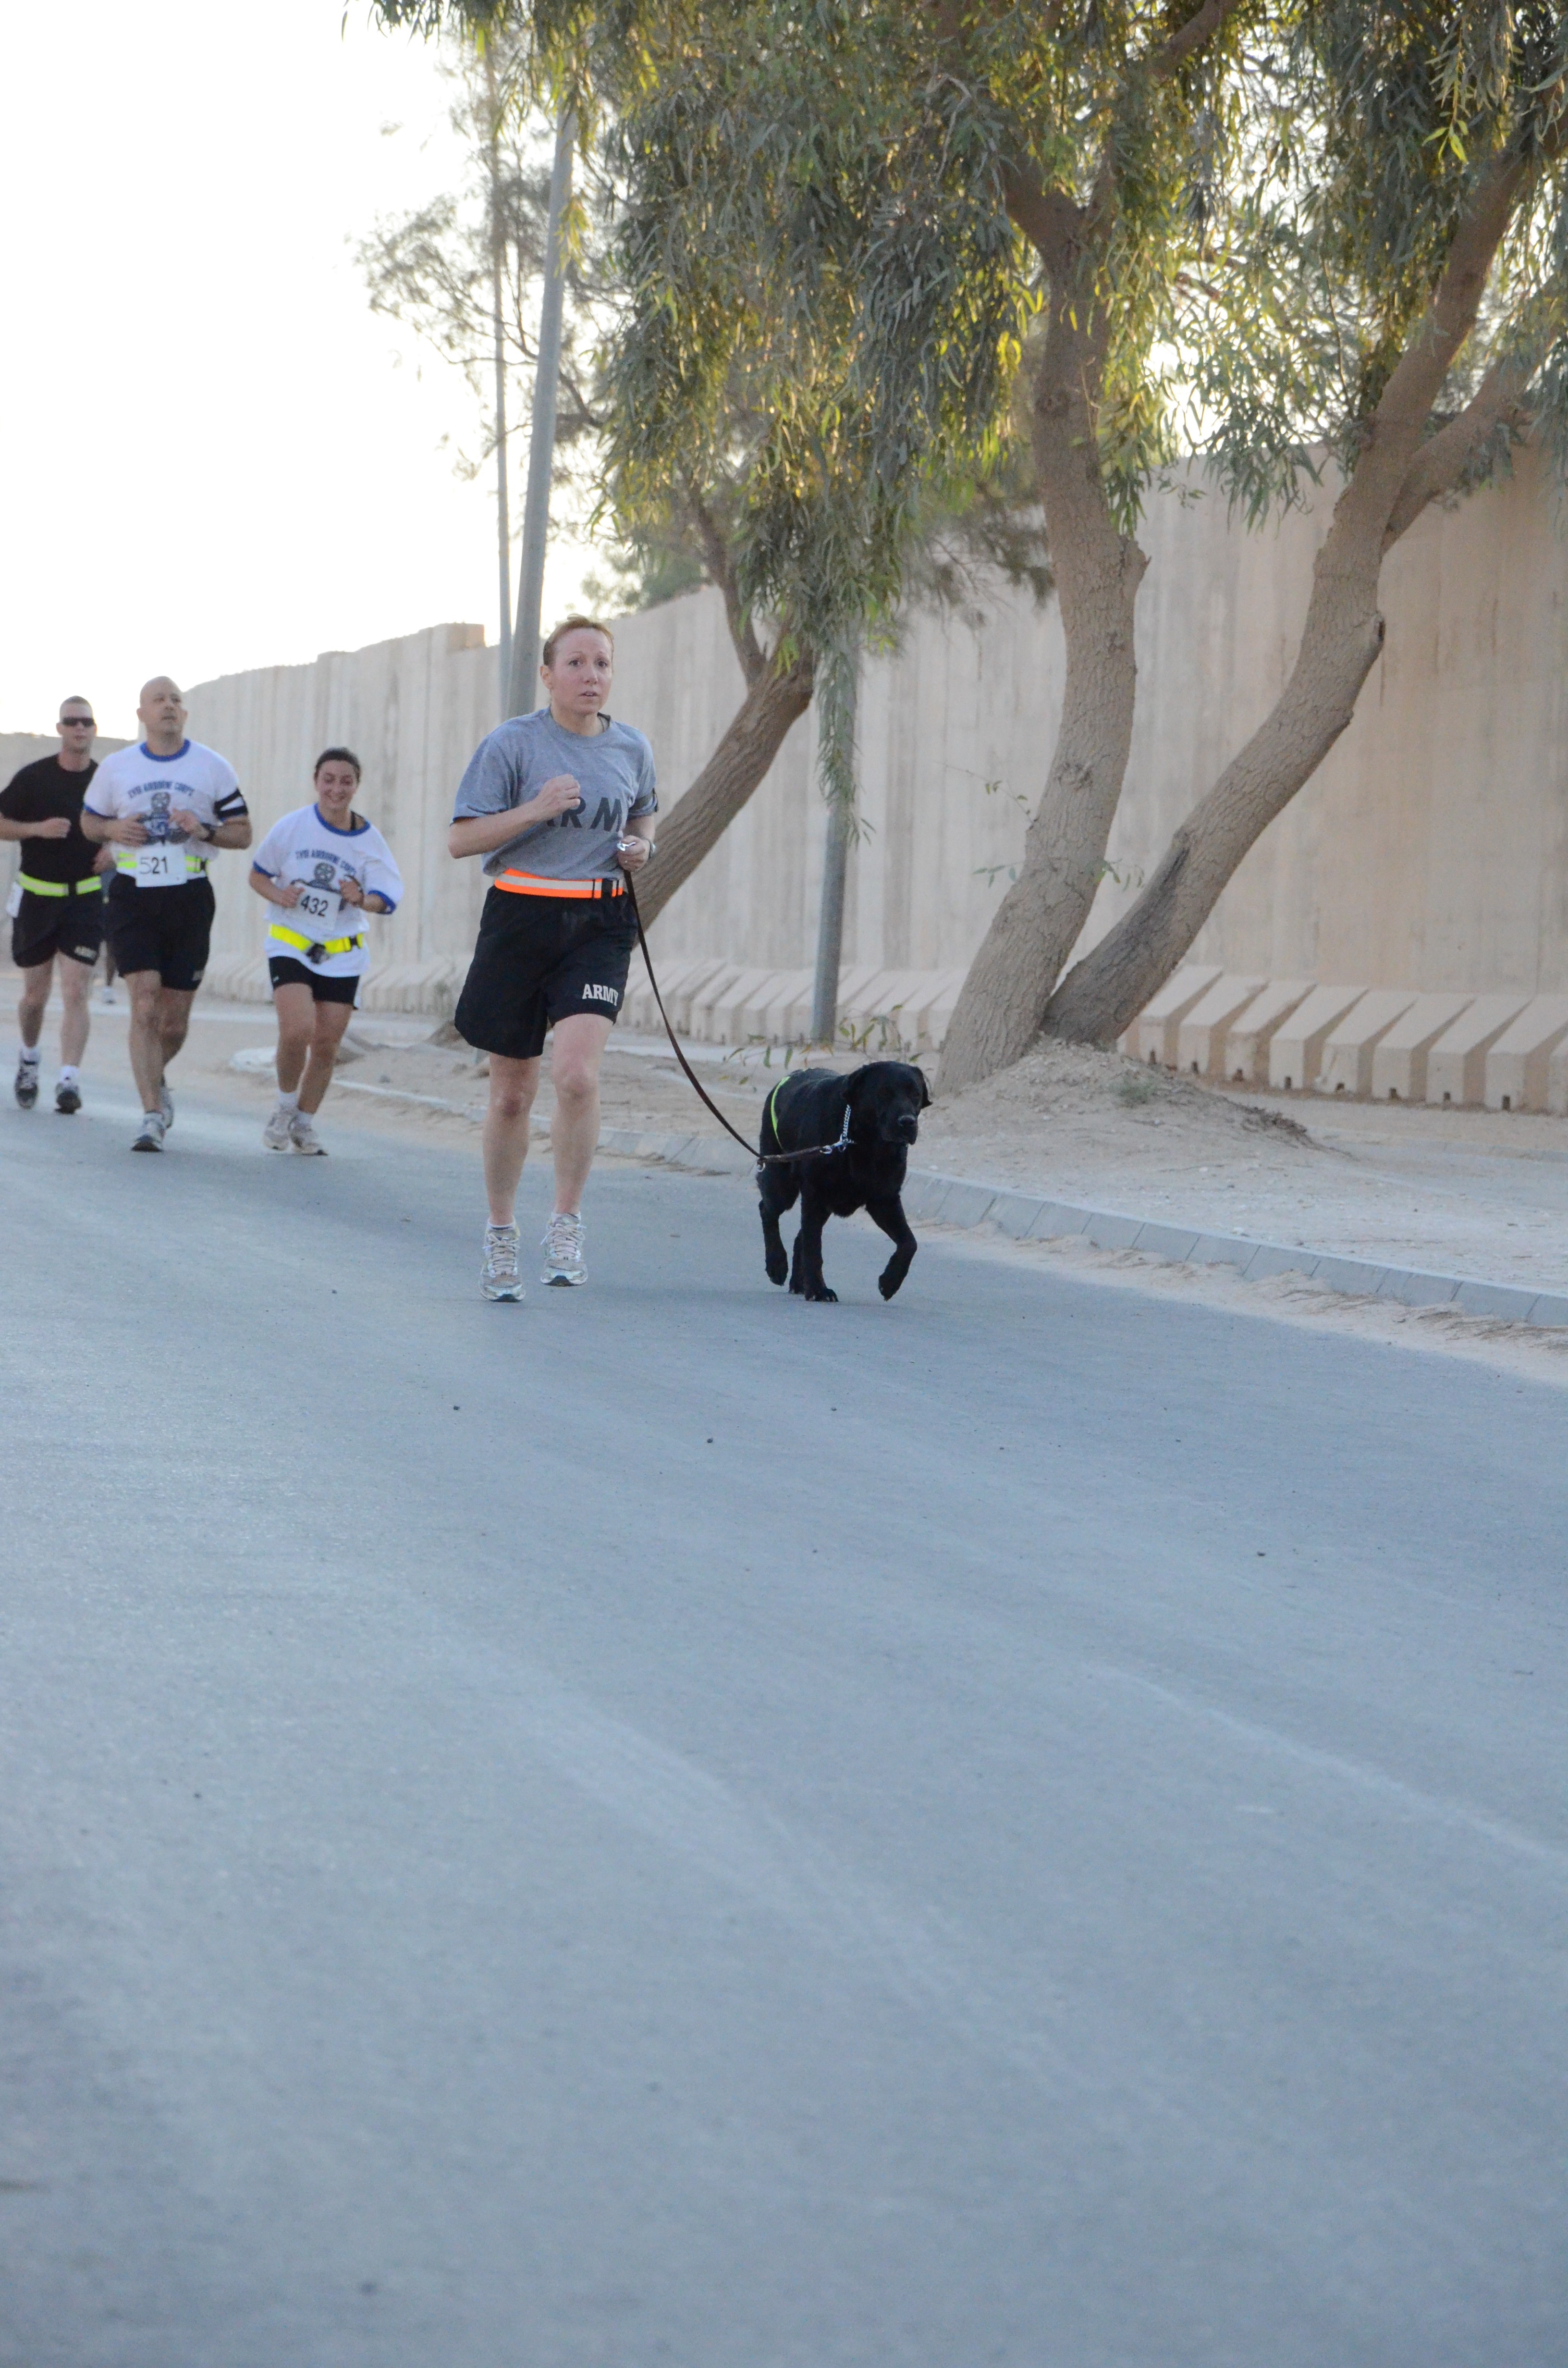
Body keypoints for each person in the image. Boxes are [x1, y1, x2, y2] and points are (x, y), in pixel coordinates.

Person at [449, 615, 657, 1298]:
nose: (591, 676)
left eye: (601, 663)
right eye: (575, 663)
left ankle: (566, 1221)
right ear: (548, 674)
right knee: (512, 1093)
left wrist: (640, 848)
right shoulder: (513, 744)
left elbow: (642, 816)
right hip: (520, 916)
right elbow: (462, 839)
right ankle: (501, 1234)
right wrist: (535, 809)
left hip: (600, 921)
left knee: (576, 1076)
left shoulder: (631, 748)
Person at [80, 678, 250, 1151]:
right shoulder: (118, 767)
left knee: (173, 1022)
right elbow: (89, 822)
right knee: (146, 1001)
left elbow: (243, 832)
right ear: (142, 714)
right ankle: (151, 1113)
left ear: (185, 714)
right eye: (160, 700)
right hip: (134, 894)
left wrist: (206, 830)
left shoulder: (212, 766)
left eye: (176, 700)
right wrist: (112, 826)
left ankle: (156, 1078)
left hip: (190, 894)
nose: (170, 706)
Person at [247, 747, 403, 1154]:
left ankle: (305, 1121)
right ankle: (283, 1107)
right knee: (298, 1030)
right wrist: (280, 896)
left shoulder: (369, 840)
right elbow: (258, 874)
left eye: (346, 781)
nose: (337, 788)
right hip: (291, 943)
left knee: (328, 1044)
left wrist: (361, 897)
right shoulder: (292, 827)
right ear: (316, 780)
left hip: (342, 953)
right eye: (329, 779)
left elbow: (388, 898)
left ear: (356, 785)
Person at [1, 696, 110, 1113]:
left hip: (83, 898)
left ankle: (69, 1080)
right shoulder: (34, 778)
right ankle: (29, 1059)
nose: (80, 728)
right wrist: (36, 829)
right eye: (72, 722)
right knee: (34, 995)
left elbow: (127, 826)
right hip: (37, 898)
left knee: (76, 987)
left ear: (94, 729)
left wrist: (114, 849)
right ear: (60, 728)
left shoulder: (105, 780)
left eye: (87, 722)